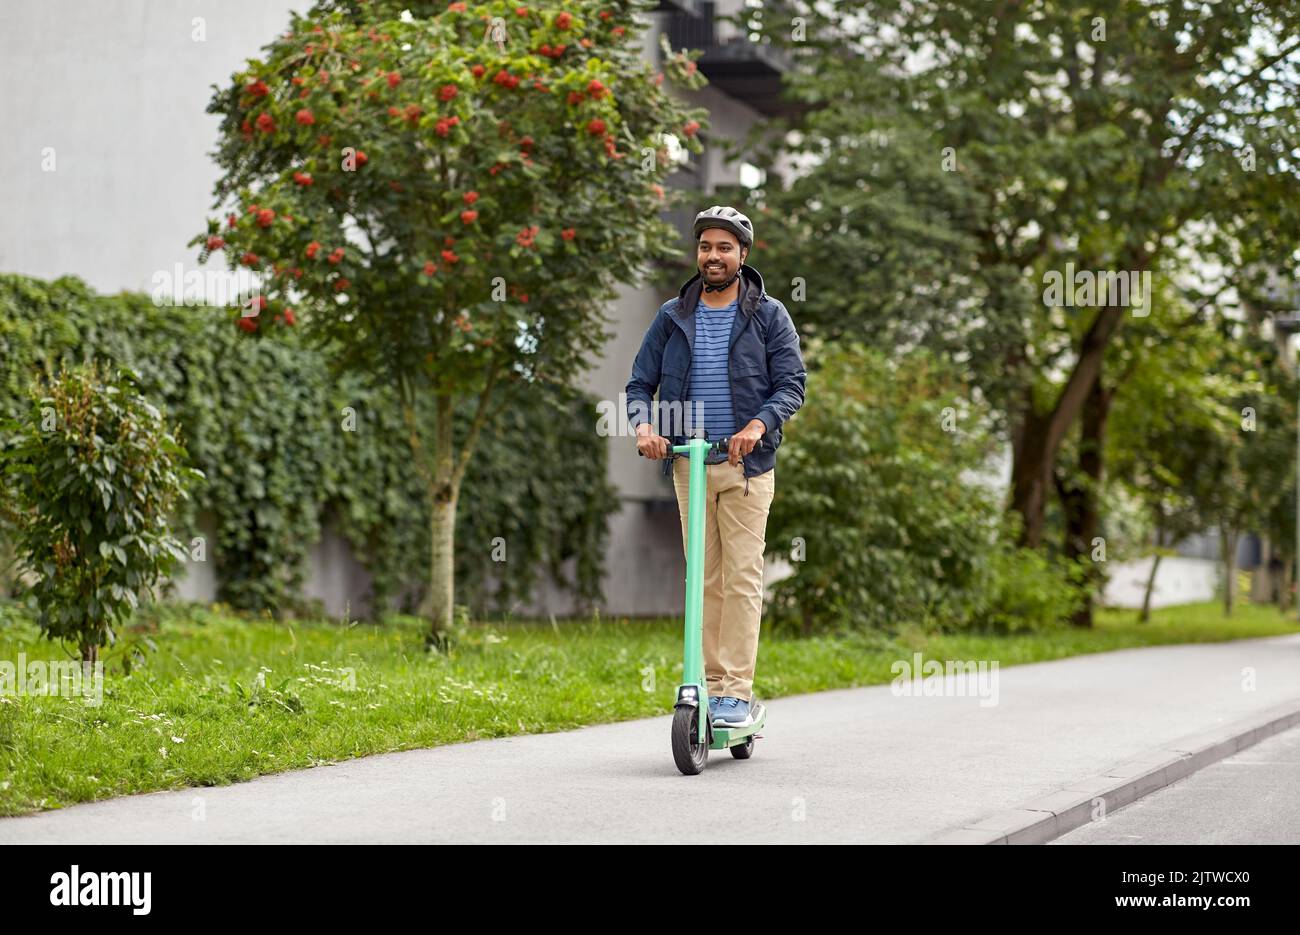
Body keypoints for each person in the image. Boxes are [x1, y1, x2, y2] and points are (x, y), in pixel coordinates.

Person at [625, 205, 806, 728]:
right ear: (697, 253)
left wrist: (758, 426)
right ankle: (705, 683)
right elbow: (640, 384)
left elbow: (791, 384)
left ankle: (735, 691)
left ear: (743, 255)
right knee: (703, 580)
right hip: (690, 462)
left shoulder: (769, 315)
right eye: (706, 246)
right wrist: (645, 429)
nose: (713, 256)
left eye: (724, 247)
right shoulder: (671, 315)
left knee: (743, 579)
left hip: (746, 466)